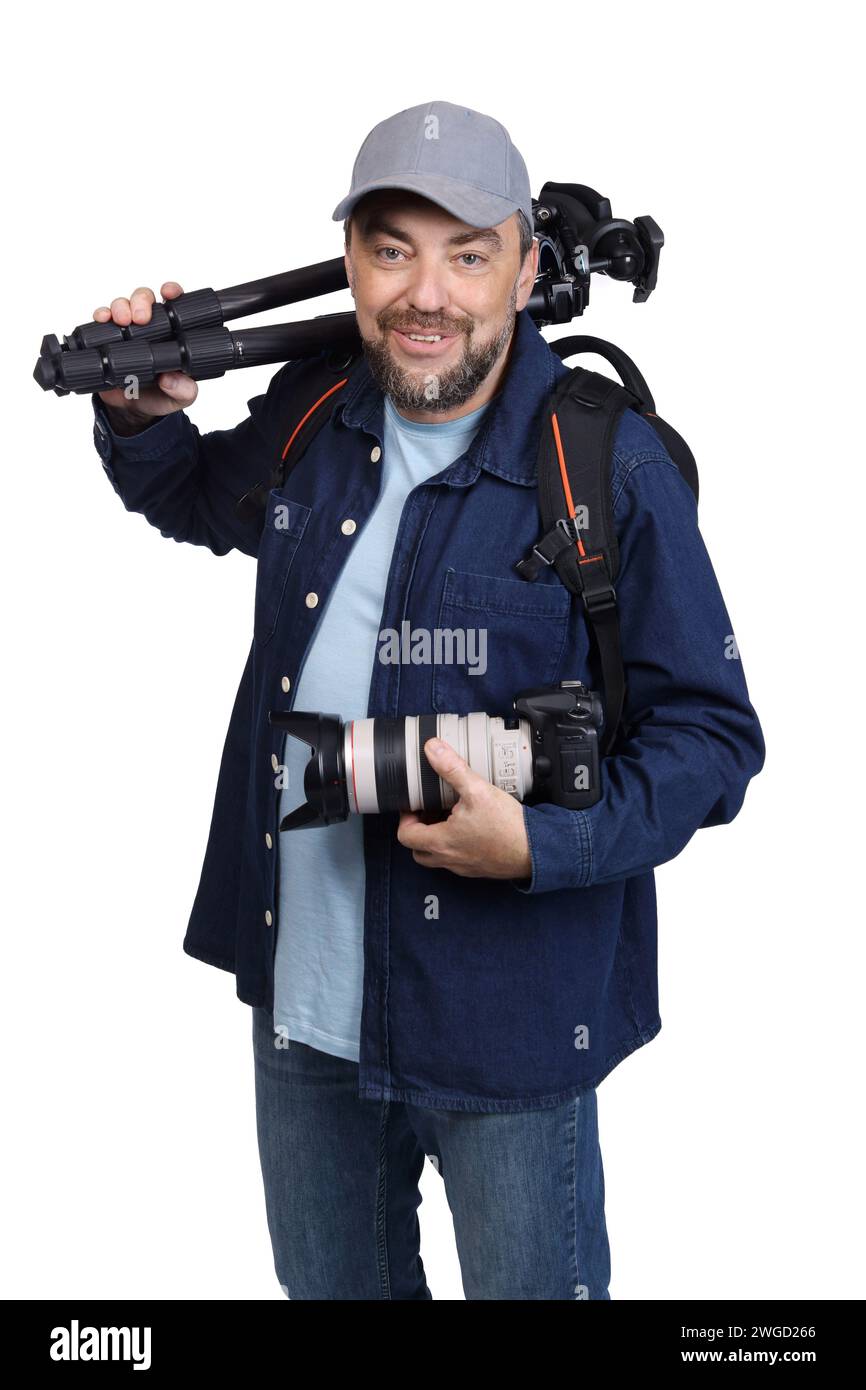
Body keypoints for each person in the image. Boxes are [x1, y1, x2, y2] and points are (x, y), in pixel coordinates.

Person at [88, 101, 765, 1300]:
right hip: (302, 1003)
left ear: (522, 265)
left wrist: (543, 843)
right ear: (352, 259)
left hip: (504, 1023)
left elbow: (711, 738)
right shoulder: (317, 411)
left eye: (467, 252)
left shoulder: (609, 465)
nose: (427, 294)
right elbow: (201, 503)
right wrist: (138, 420)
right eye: (393, 249)